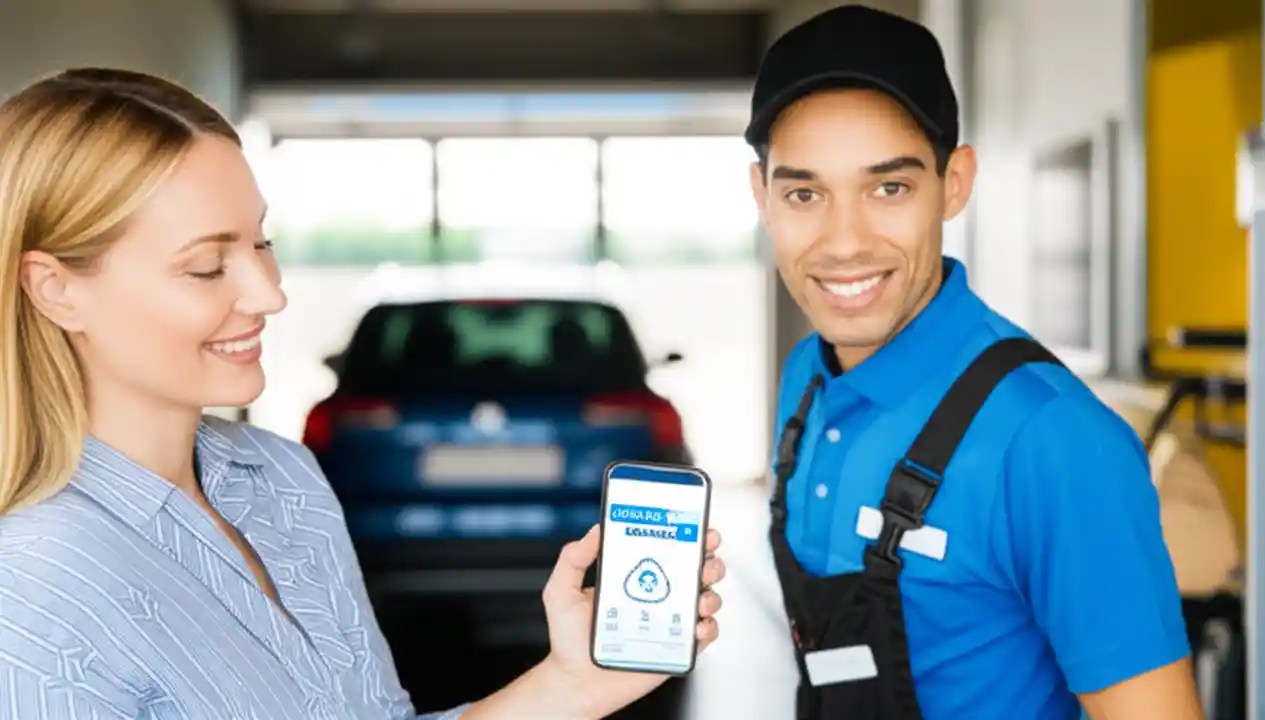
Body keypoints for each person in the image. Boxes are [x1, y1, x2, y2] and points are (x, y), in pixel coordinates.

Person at [0, 68, 725, 719]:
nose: (269, 294)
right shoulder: (28, 587)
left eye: (260, 244)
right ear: (56, 290)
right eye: (206, 268)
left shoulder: (281, 479)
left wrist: (574, 684)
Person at [748, 5, 1201, 720]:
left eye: (888, 188)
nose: (842, 242)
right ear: (762, 196)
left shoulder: (1052, 440)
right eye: (805, 193)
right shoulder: (806, 380)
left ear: (953, 184)